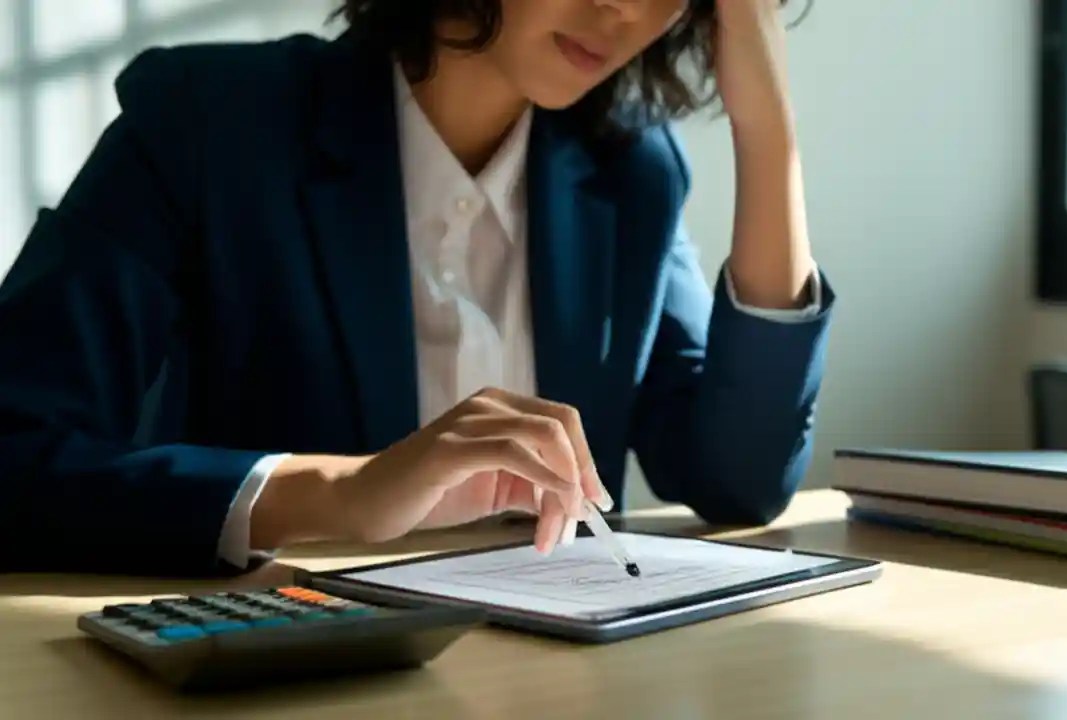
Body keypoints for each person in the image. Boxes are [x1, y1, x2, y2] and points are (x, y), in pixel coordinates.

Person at [0, 0, 832, 576]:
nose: (624, 6)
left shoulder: (629, 174)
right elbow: (15, 451)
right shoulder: (203, 122)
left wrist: (770, 137)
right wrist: (338, 492)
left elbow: (739, 479)